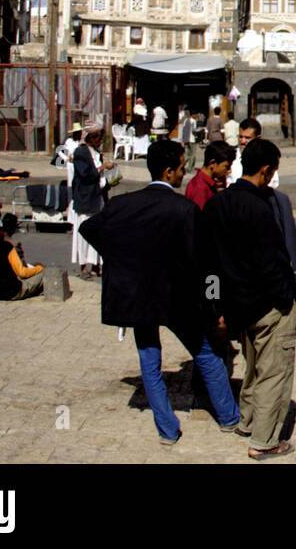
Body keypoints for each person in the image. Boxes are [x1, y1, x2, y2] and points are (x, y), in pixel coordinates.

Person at [80, 140, 240, 445]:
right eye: (181, 167)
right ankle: (229, 417)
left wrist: (123, 260)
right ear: (169, 172)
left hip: (139, 297)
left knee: (149, 362)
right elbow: (207, 265)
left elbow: (89, 229)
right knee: (206, 353)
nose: (184, 172)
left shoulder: (122, 205)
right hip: (179, 299)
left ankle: (167, 429)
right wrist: (215, 306)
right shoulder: (184, 210)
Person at [201, 138, 296, 460]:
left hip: (236, 307)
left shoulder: (216, 205)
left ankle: (247, 420)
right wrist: (287, 301)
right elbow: (274, 262)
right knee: (273, 373)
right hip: (268, 306)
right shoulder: (259, 208)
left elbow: (208, 266)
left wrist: (214, 306)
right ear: (267, 169)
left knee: (254, 367)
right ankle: (264, 441)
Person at [71, 125, 112, 280]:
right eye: (98, 137)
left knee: (98, 233)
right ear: (90, 138)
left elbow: (98, 178)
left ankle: (96, 265)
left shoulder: (97, 153)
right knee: (83, 233)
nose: (100, 141)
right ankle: (83, 267)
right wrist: (102, 167)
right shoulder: (80, 152)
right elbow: (85, 175)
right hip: (86, 199)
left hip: (98, 198)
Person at [0, 224, 45, 300]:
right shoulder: (6, 246)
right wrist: (40, 268)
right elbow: (22, 273)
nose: (3, 232)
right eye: (1, 230)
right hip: (11, 292)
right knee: (44, 274)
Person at [229, 118, 280, 188]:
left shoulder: (267, 158)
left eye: (247, 138)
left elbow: (273, 183)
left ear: (258, 138)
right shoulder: (231, 157)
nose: (242, 141)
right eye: (240, 137)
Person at [186, 141, 235, 210]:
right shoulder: (201, 189)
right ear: (212, 163)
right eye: (227, 166)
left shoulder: (206, 183)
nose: (229, 171)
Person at [177, 107, 198, 172]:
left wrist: (183, 140)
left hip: (186, 139)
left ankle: (181, 165)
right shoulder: (194, 121)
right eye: (195, 114)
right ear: (193, 114)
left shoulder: (186, 120)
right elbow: (194, 130)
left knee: (187, 154)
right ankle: (190, 168)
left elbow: (184, 130)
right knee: (193, 154)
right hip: (192, 139)